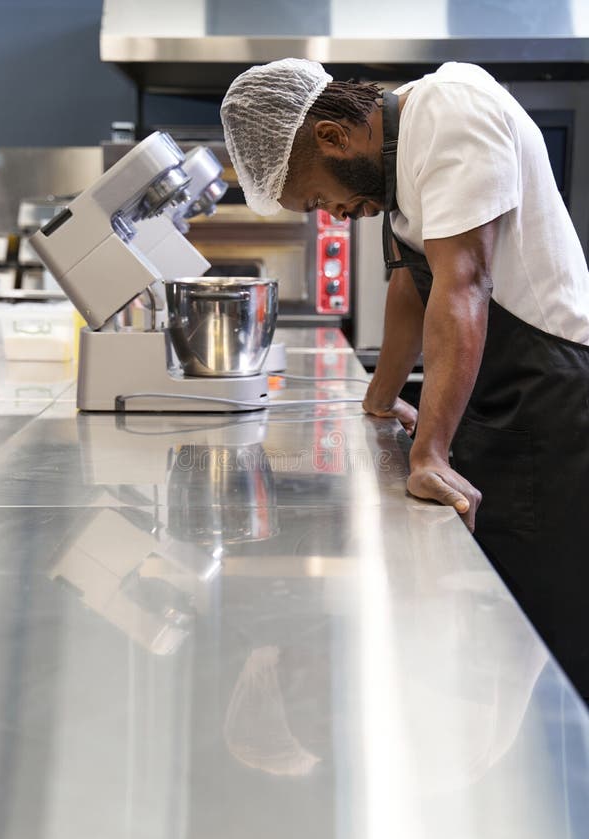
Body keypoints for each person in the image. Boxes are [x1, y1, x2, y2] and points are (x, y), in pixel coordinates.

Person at [220, 58, 589, 698]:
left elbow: (463, 282)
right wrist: (379, 401)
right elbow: (409, 288)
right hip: (502, 395)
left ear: (333, 137)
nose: (332, 214)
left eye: (317, 197)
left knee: (549, 625)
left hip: (554, 396)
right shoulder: (399, 154)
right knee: (500, 625)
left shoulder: (451, 110)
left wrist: (432, 450)